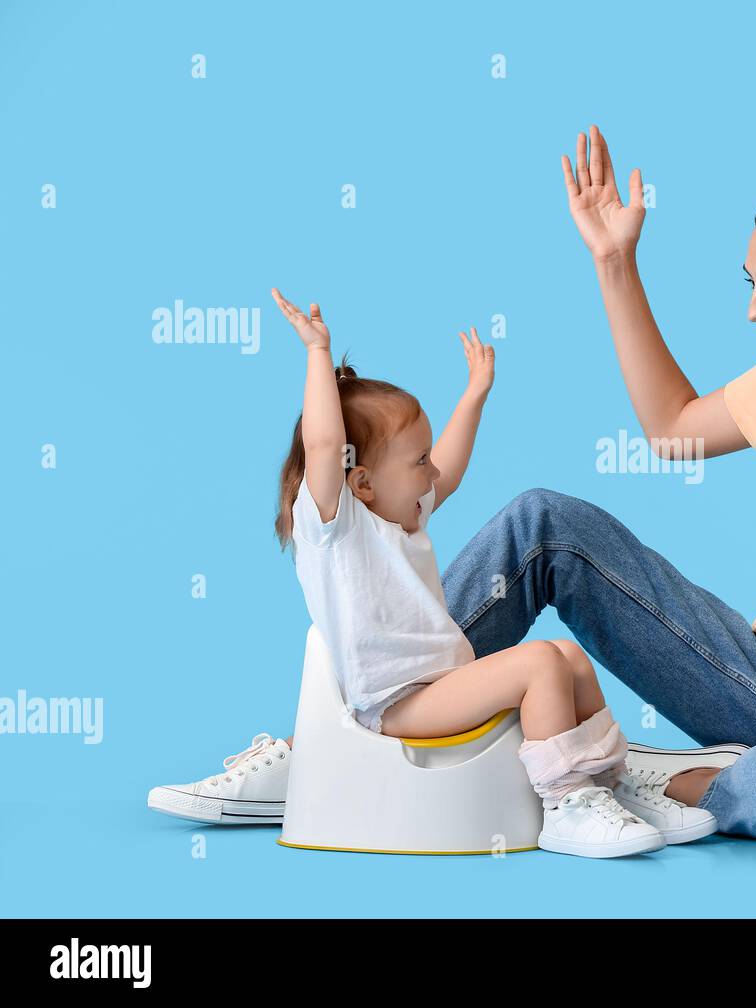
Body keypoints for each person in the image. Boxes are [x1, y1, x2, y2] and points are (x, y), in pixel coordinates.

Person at [149, 123, 756, 846]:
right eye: (750, 284)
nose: (754, 310)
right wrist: (616, 264)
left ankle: (668, 782)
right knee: (545, 524)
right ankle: (358, 734)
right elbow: (672, 429)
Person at [147, 287, 716, 860]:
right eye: (417, 460)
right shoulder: (336, 527)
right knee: (541, 661)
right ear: (361, 480)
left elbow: (452, 471)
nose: (432, 470)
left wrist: (474, 395)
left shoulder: (403, 515)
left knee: (567, 658)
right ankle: (566, 805)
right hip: (393, 705)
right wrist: (318, 353)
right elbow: (324, 444)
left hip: (439, 686)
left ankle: (610, 785)